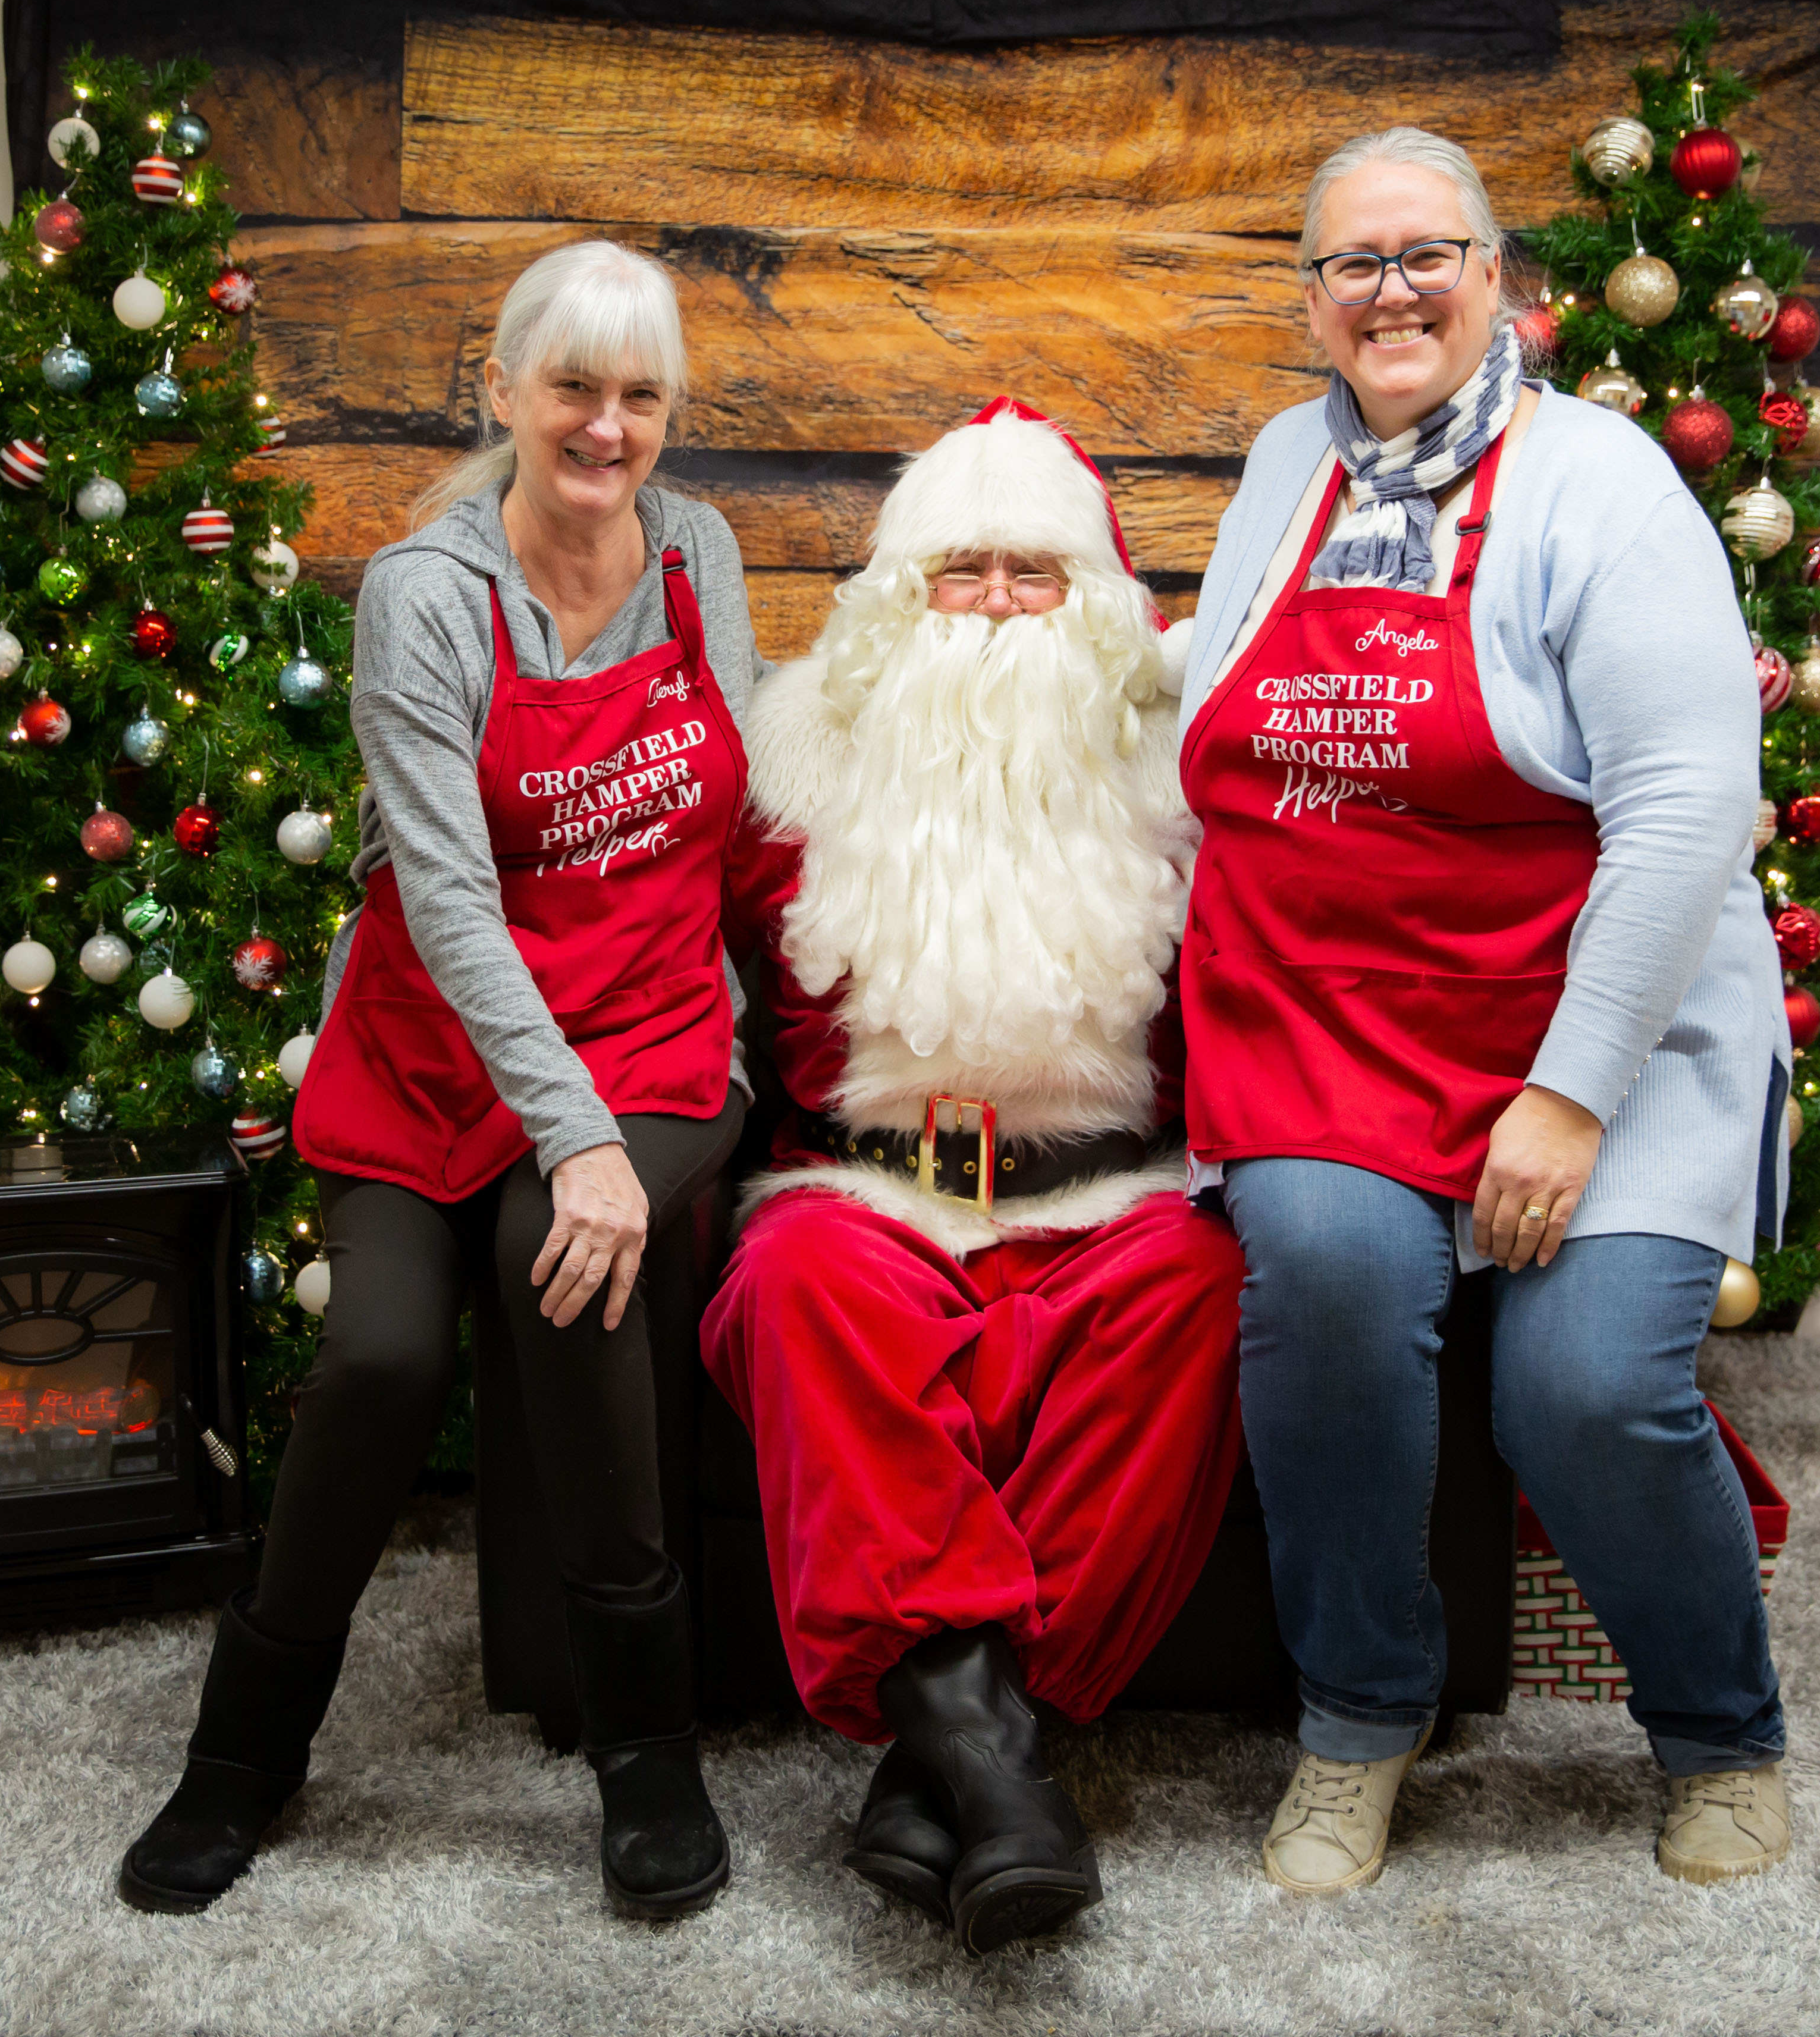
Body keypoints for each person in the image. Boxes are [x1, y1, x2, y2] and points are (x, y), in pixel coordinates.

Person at [1172, 128, 1794, 1894]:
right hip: (1328, 1023)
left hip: (1602, 1021)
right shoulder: (1288, 462)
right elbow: (1212, 723)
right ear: (1310, 303)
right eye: (1351, 265)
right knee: (1338, 1294)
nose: (1390, 292)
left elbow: (1682, 821)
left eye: (1423, 254)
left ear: (1496, 277)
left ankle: (1716, 1729)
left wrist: (1570, 1094)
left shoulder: (1601, 486)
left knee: (1587, 1389)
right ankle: (1360, 1718)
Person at [118, 240, 762, 1920]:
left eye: (639, 396)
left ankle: (645, 1749)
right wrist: (578, 1142)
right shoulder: (426, 592)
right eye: (573, 388)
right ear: (501, 391)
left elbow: (746, 803)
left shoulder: (698, 553)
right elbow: (453, 902)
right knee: (386, 1354)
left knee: (564, 1275)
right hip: (435, 1043)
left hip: (657, 1034)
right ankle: (242, 1756)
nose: (606, 428)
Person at [702, 401, 1245, 1954]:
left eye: (1035, 573)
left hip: (1111, 1194)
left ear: (1096, 601)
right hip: (866, 1191)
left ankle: (949, 1742)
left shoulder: (1176, 770)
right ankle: (1000, 1761)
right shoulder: (792, 767)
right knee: (793, 1290)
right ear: (898, 597)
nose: (1000, 603)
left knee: (1202, 1293)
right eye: (963, 573)